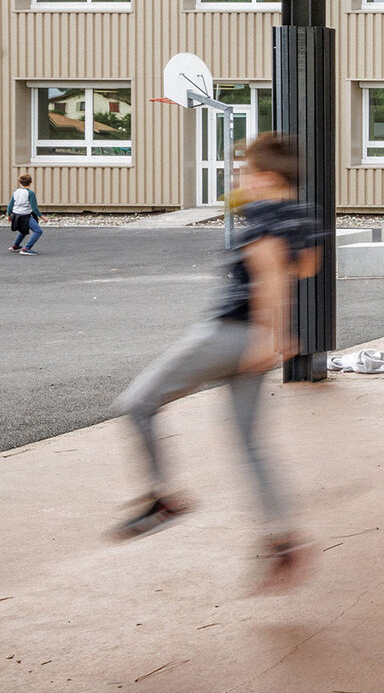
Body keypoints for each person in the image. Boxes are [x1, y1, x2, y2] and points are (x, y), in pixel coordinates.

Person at [111, 131, 322, 593]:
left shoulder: (263, 212)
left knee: (138, 403)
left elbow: (269, 274)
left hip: (228, 335)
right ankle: (283, 539)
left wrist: (269, 334)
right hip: (256, 344)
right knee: (250, 445)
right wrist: (274, 335)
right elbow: (304, 266)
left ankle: (162, 496)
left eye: (248, 171)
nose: (242, 179)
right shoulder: (301, 214)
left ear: (267, 176)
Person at [10, 173, 45, 254]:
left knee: (23, 229)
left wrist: (9, 214)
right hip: (25, 216)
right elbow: (34, 208)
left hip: (15, 215)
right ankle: (26, 249)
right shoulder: (30, 193)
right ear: (31, 181)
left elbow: (10, 204)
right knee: (38, 231)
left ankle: (15, 246)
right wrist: (42, 217)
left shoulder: (16, 191)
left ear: (20, 182)